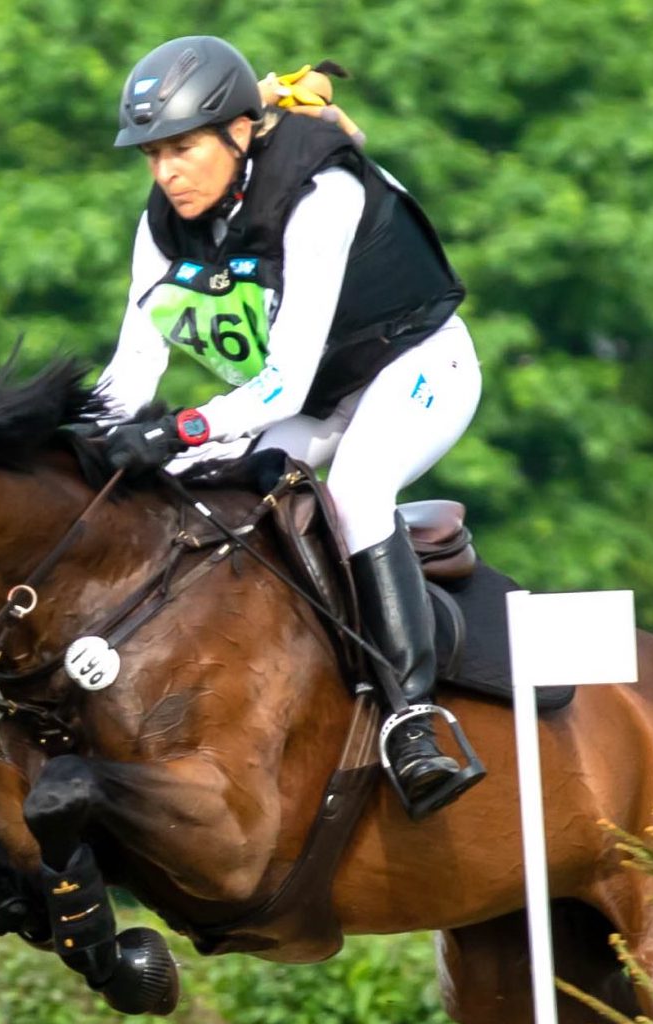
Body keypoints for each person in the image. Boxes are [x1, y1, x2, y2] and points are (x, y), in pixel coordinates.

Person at [90, 35, 484, 818]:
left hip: (417, 369)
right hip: (310, 401)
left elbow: (283, 379)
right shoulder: (163, 227)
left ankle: (412, 719)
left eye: (182, 148)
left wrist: (181, 429)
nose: (166, 172)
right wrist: (68, 440)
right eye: (152, 155)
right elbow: (131, 373)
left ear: (240, 131)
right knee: (217, 498)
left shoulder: (318, 193)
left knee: (358, 491)